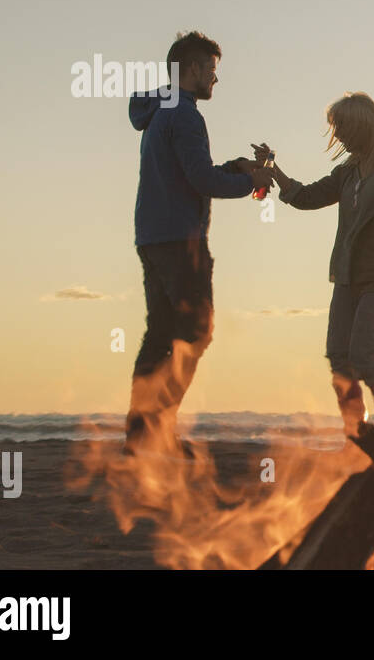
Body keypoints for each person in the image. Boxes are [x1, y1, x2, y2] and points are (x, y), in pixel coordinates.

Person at [126, 31, 273, 455]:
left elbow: (191, 172)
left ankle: (141, 437)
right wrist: (251, 181)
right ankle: (157, 428)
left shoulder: (159, 111)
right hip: (180, 240)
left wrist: (237, 167)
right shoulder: (186, 115)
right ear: (192, 69)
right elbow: (202, 181)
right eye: (211, 69)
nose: (215, 78)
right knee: (196, 333)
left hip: (152, 236)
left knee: (159, 336)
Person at [257, 92, 374, 437]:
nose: (339, 137)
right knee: (339, 356)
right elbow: (307, 197)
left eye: (343, 128)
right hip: (348, 276)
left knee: (363, 353)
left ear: (363, 126)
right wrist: (273, 170)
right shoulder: (348, 173)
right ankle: (357, 433)